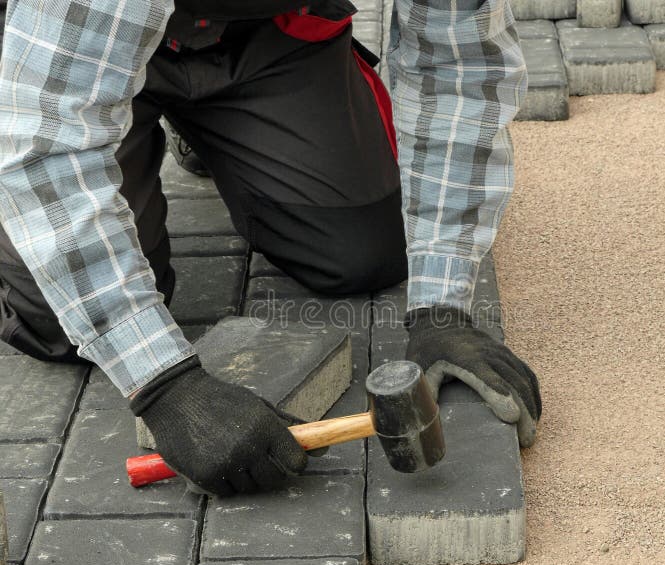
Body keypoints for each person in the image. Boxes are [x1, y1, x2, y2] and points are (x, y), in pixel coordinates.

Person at [0, 0, 541, 496]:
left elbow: (460, 67)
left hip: (268, 36)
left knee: (365, 253)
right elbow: (46, 141)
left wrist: (442, 305)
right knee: (57, 321)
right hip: (68, 54)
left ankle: (219, 133)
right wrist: (162, 384)